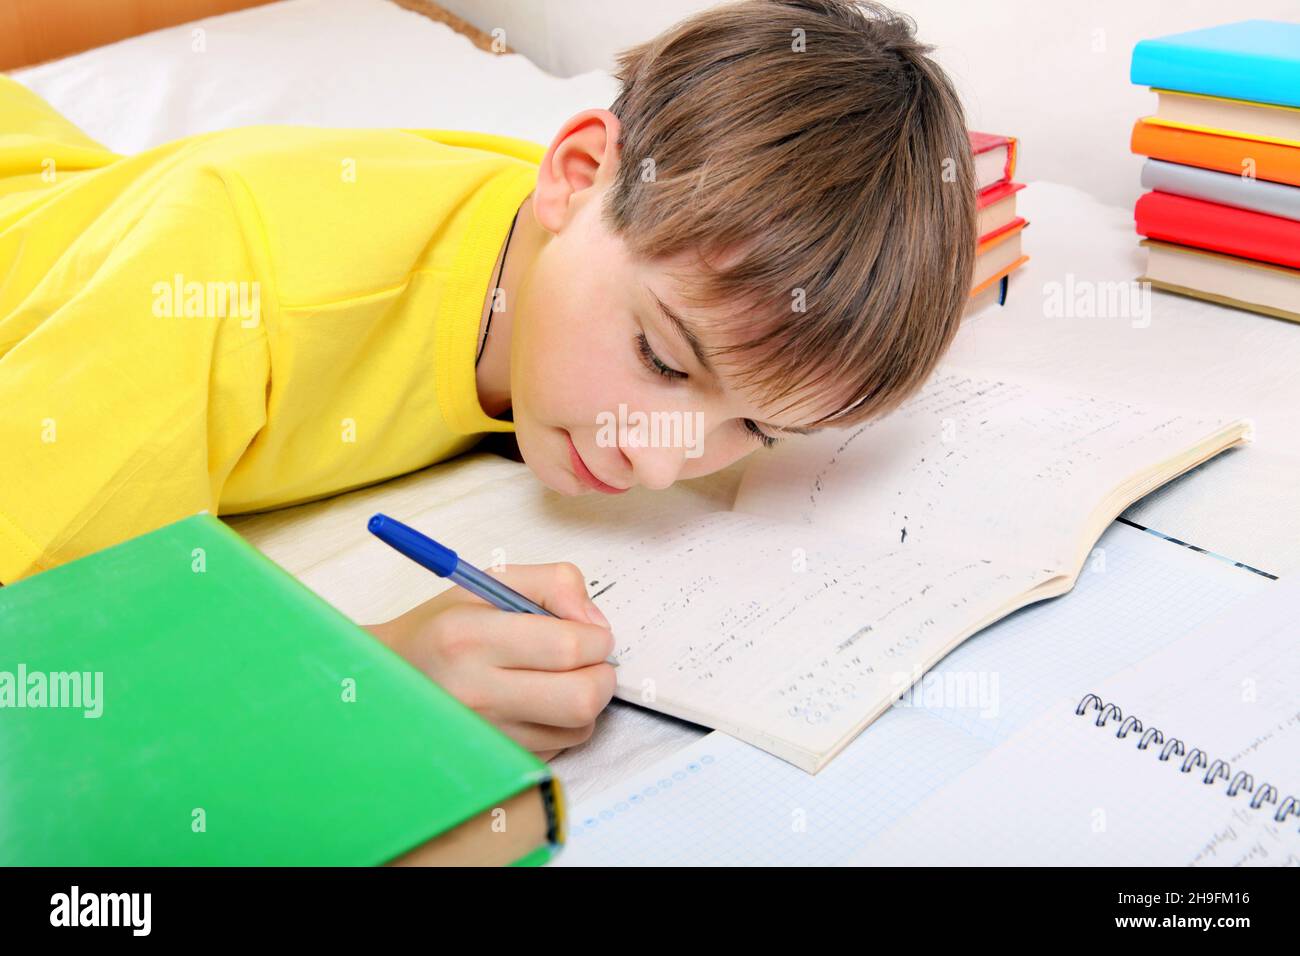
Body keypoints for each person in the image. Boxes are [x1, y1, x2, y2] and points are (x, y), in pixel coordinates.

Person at [0, 0, 976, 758]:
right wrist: (367, 674)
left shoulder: (571, 246)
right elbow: (38, 657)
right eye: (662, 358)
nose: (656, 464)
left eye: (753, 429)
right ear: (577, 170)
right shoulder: (225, 278)